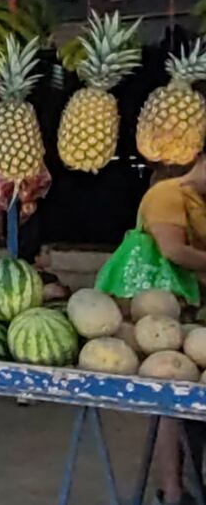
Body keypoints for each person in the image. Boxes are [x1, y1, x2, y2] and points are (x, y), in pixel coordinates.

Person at [96, 156, 206, 505]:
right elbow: (173, 251)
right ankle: (171, 492)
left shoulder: (196, 203)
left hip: (184, 315)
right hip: (156, 317)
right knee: (170, 397)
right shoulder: (167, 195)